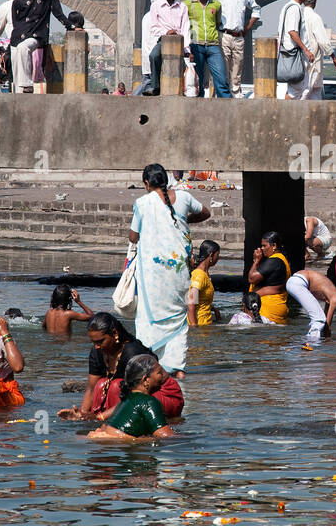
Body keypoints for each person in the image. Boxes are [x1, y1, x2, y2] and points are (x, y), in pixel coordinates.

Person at [128, 163, 209, 372]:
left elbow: (133, 237)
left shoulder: (142, 203)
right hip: (180, 274)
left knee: (150, 315)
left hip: (154, 277)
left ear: (147, 183)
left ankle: (149, 367)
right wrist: (183, 219)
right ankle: (178, 370)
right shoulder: (183, 197)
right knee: (180, 318)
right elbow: (205, 213)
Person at [59, 313, 184, 421]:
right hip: (130, 396)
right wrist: (82, 415)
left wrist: (99, 418)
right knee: (100, 385)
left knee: (115, 386)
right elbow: (91, 389)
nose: (96, 346)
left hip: (161, 395)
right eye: (94, 342)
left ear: (114, 333)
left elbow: (133, 395)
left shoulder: (133, 352)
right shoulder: (97, 352)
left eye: (100, 341)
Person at [9, 0, 79, 94]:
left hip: (36, 36)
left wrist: (72, 27)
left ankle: (27, 85)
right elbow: (16, 22)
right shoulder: (19, 0)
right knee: (17, 67)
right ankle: (20, 96)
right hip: (18, 37)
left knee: (24, 48)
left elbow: (59, 14)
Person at [88, 354, 178, 441]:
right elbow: (167, 437)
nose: (163, 375)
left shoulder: (126, 400)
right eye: (159, 373)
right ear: (146, 380)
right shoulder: (148, 402)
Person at [210, 0, 260, 96]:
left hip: (239, 36)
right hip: (224, 34)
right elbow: (207, 8)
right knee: (223, 66)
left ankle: (236, 92)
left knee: (238, 66)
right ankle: (221, 92)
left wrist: (248, 28)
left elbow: (256, 9)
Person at [182, 0, 228, 98]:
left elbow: (217, 23)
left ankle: (227, 108)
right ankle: (199, 108)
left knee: (222, 79)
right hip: (196, 46)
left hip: (213, 46)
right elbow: (184, 26)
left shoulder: (216, 4)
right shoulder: (186, 5)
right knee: (198, 80)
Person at [146, 0, 191, 95]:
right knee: (154, 56)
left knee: (182, 65)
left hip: (179, 41)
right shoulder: (156, 5)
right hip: (163, 40)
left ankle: (183, 89)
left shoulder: (182, 6)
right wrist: (166, 32)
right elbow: (154, 28)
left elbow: (186, 27)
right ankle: (155, 86)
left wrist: (186, 48)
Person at [297, 0, 336, 100]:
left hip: (300, 62)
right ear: (315, 1)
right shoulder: (314, 17)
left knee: (311, 93)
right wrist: (333, 57)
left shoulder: (298, 15)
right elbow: (323, 40)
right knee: (308, 92)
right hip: (313, 62)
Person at [278, 0, 315, 100]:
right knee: (297, 88)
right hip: (294, 53)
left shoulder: (289, 7)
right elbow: (292, 32)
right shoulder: (294, 8)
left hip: (291, 52)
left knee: (298, 87)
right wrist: (306, 50)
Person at [247, 231, 292, 324]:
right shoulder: (281, 260)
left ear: (274, 246)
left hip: (267, 309)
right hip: (276, 308)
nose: (262, 249)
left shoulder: (275, 260)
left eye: (264, 246)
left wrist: (256, 261)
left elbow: (252, 278)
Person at [285, 268, 336, 338]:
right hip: (299, 283)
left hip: (293, 280)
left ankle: (310, 341)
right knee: (319, 320)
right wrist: (327, 340)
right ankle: (311, 343)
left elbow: (326, 317)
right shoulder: (335, 297)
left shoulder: (331, 293)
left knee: (320, 319)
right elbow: (328, 324)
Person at [187, 240, 220, 327]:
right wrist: (194, 327)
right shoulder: (199, 275)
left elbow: (201, 300)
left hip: (206, 324)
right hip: (200, 325)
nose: (218, 258)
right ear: (211, 255)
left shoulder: (205, 274)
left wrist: (214, 309)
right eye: (217, 255)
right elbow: (191, 303)